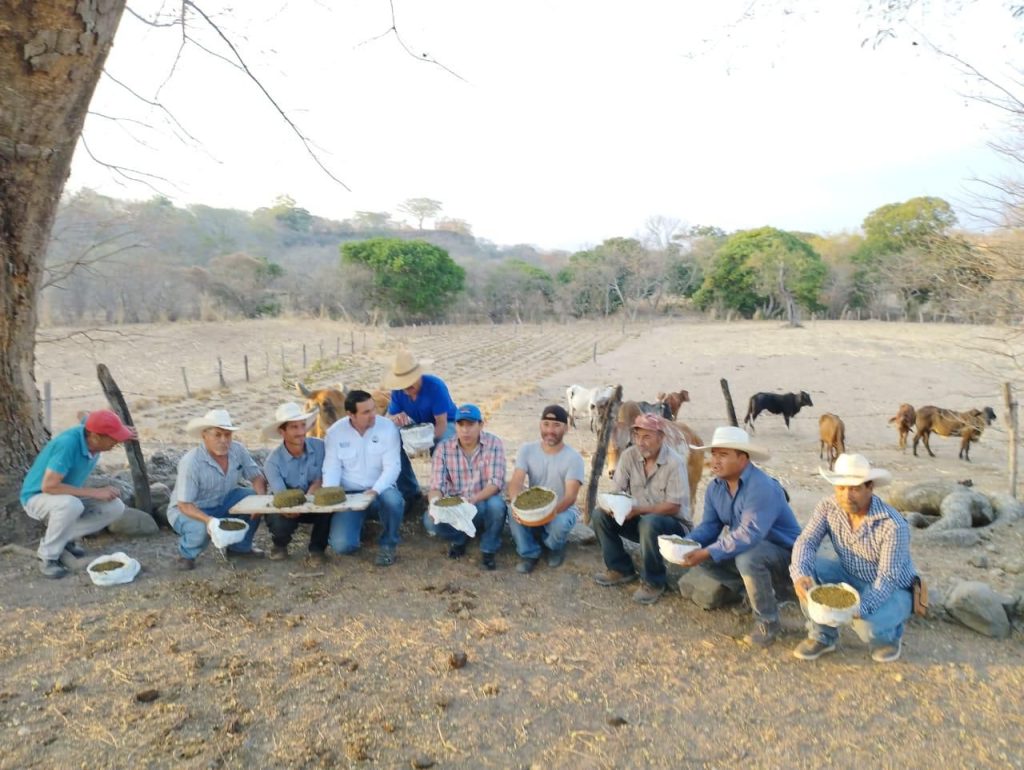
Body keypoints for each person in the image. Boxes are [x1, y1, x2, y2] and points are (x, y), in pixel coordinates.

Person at [790, 453, 918, 663]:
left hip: (892, 587)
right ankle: (823, 635)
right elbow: (806, 541)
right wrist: (800, 575)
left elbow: (886, 579)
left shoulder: (893, 525)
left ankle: (890, 636)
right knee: (807, 574)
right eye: (841, 488)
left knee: (866, 625)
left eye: (855, 488)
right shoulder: (827, 506)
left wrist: (856, 609)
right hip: (848, 574)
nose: (847, 495)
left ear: (870, 488)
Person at [681, 426, 802, 648]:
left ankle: (768, 621)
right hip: (751, 547)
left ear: (743, 459)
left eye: (723, 455)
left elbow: (750, 534)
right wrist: (687, 544)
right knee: (703, 553)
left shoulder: (762, 487)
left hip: (787, 554)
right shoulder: (715, 487)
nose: (715, 461)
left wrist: (707, 551)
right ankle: (750, 593)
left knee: (747, 558)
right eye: (714, 454)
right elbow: (710, 525)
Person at [20, 409, 136, 578]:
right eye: (114, 438)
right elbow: (49, 487)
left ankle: (63, 540)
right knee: (70, 505)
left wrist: (118, 429)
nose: (117, 442)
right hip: (37, 497)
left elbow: (82, 414)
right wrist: (94, 493)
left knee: (115, 507)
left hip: (66, 494)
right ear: (96, 437)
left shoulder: (89, 431)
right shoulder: (67, 445)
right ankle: (48, 557)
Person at [591, 413, 690, 605]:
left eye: (647, 437)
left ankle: (653, 582)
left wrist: (638, 510)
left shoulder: (674, 462)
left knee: (649, 521)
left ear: (661, 437)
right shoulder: (629, 456)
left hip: (672, 527)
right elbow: (617, 490)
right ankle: (620, 568)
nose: (640, 442)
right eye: (637, 436)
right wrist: (612, 506)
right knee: (599, 515)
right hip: (640, 521)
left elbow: (673, 506)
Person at [167, 409, 268, 570]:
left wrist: (260, 501)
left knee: (254, 498)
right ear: (204, 436)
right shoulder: (191, 462)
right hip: (189, 509)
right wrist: (209, 521)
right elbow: (184, 504)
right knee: (201, 529)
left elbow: (256, 477)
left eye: (227, 435)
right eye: (217, 435)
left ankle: (240, 548)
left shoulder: (238, 450)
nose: (224, 440)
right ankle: (186, 554)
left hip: (223, 501)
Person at [323, 389, 405, 567]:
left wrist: (376, 489)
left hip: (381, 490)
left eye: (373, 409)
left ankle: (388, 544)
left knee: (394, 501)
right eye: (366, 412)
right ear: (350, 414)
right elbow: (331, 468)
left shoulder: (387, 428)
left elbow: (393, 467)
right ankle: (356, 525)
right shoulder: (335, 433)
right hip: (350, 495)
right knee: (342, 546)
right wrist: (331, 494)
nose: (372, 415)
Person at [424, 404, 507, 570]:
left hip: (482, 500)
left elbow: (496, 482)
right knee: (430, 521)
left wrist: (473, 500)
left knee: (497, 506)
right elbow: (436, 484)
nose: (465, 430)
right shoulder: (444, 448)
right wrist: (434, 504)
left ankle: (488, 548)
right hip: (455, 504)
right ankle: (460, 538)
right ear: (455, 426)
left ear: (481, 425)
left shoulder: (493, 444)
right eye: (461, 425)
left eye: (470, 425)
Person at [507, 404, 584, 574]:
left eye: (557, 425)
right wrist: (516, 504)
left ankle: (553, 547)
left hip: (562, 508)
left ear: (566, 428)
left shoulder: (574, 458)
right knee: (512, 512)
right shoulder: (527, 450)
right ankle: (529, 553)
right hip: (535, 505)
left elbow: (571, 496)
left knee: (560, 523)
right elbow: (516, 482)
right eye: (546, 424)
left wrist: (547, 514)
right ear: (540, 425)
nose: (550, 430)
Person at [383, 350, 457, 509]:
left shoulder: (435, 387)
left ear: (418, 376)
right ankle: (410, 493)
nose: (406, 390)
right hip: (419, 425)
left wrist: (424, 445)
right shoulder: (397, 392)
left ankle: (442, 495)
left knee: (444, 445)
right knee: (391, 441)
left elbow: (441, 424)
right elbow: (389, 417)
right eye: (402, 385)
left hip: (445, 423)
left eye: (409, 384)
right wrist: (394, 419)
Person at [261, 402, 328, 564]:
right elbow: (282, 495)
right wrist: (294, 506)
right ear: (282, 432)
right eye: (294, 427)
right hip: (288, 504)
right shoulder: (272, 462)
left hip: (313, 500)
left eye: (302, 426)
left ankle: (317, 550)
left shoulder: (321, 447)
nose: (300, 432)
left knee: (327, 508)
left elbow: (322, 478)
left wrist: (310, 496)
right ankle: (280, 544)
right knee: (278, 518)